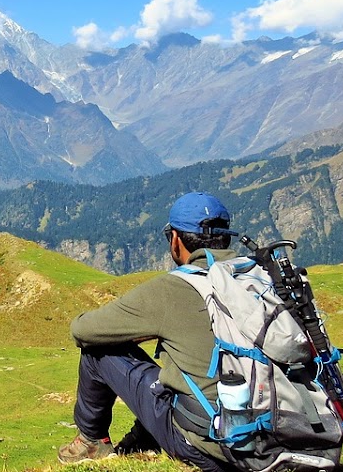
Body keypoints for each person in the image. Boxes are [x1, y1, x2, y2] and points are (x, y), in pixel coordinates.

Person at [58, 192, 240, 471]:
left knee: (97, 351)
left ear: (176, 239)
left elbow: (83, 330)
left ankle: (92, 442)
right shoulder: (267, 281)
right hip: (287, 438)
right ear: (226, 238)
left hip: (213, 448)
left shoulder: (174, 289)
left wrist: (134, 333)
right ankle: (141, 439)